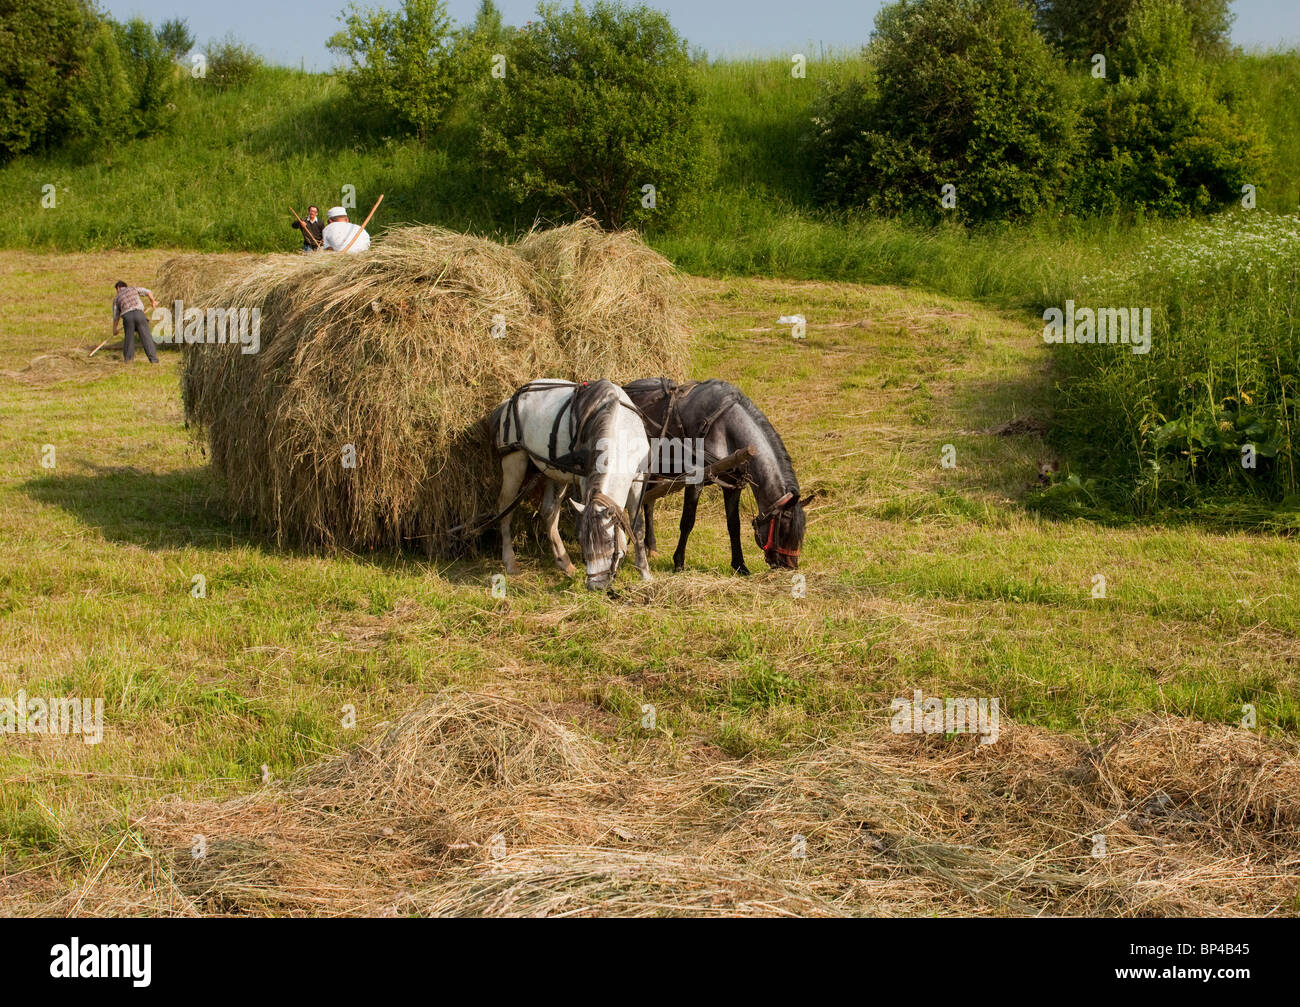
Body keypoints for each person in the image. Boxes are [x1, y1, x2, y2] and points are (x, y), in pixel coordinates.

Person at [111, 281, 159, 364]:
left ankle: (128, 361)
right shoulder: (133, 288)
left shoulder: (116, 298)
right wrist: (153, 301)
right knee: (146, 337)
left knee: (129, 339)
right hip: (139, 314)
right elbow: (148, 291)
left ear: (118, 288)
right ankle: (153, 360)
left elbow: (116, 316)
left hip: (127, 317)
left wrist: (114, 329)